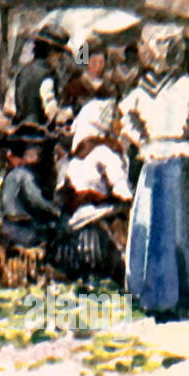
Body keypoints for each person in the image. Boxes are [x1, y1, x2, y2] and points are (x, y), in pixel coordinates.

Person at [119, 24, 189, 320]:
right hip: (163, 159)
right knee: (159, 228)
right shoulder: (144, 89)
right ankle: (162, 292)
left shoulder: (186, 86)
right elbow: (126, 117)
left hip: (179, 160)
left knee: (178, 228)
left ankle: (185, 292)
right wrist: (143, 141)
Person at [48, 99, 132, 282]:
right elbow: (124, 194)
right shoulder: (106, 154)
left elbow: (60, 197)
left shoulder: (68, 161)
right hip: (98, 238)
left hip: (69, 240)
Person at [0, 128, 63, 250]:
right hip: (21, 230)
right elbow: (35, 200)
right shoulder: (24, 175)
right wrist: (55, 210)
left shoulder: (10, 175)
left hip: (7, 227)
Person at [61, 38, 114, 110]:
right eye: (94, 62)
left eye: (101, 62)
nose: (98, 66)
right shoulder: (74, 85)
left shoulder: (107, 88)